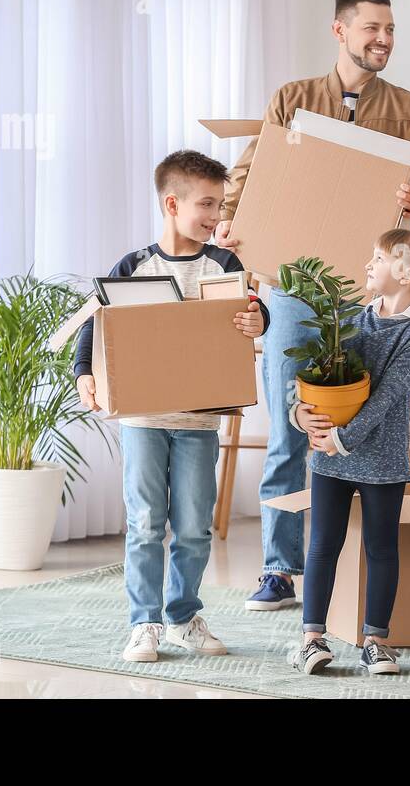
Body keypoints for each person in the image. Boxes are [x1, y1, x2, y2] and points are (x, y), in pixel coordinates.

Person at [213, 0, 410, 612]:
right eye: (372, 28)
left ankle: (346, 575)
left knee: (369, 423)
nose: (384, 40)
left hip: (370, 287)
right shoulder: (294, 99)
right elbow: (253, 170)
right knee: (295, 424)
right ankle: (281, 568)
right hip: (294, 282)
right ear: (340, 31)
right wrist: (233, 224)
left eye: (392, 30)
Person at [75, 150, 269, 663]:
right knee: (144, 522)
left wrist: (259, 321)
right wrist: (85, 374)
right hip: (143, 420)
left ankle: (183, 616)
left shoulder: (224, 264)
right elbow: (97, 327)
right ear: (171, 203)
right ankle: (144, 623)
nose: (215, 216)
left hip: (201, 420)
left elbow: (252, 310)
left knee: (191, 525)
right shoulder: (133, 267)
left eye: (220, 205)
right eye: (207, 204)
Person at [287, 230, 410, 676]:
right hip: (328, 454)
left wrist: (346, 438)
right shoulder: (345, 319)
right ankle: (311, 639)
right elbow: (308, 377)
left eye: (378, 258)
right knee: (322, 545)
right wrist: (300, 414)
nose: (367, 265)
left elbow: (391, 394)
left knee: (381, 547)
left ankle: (376, 641)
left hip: (380, 459)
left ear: (407, 273)